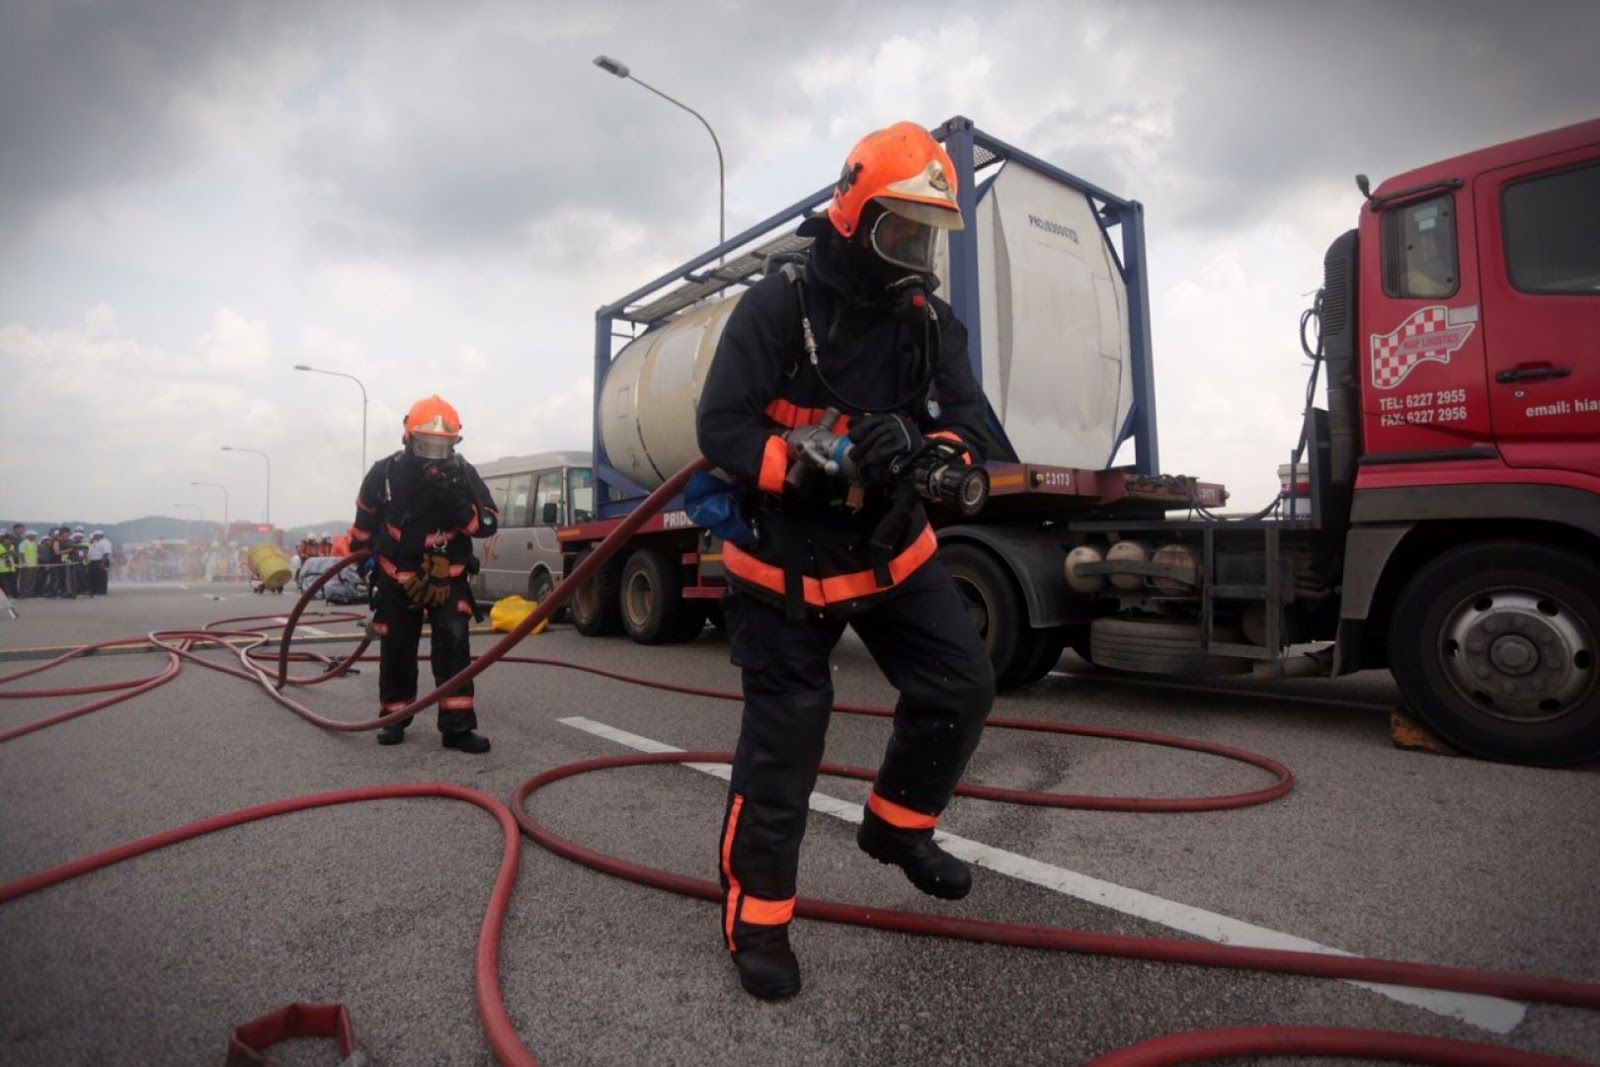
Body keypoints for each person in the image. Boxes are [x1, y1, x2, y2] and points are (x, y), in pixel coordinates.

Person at [695, 121, 996, 999]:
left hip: (889, 548)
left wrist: (926, 446)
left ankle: (897, 825)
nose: (915, 252)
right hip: (783, 563)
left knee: (961, 682)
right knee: (787, 741)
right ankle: (759, 923)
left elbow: (970, 428)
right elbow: (720, 424)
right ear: (856, 217)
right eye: (900, 230)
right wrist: (807, 462)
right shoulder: (780, 306)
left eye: (926, 235)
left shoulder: (930, 325)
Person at [348, 395, 500, 753]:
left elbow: (488, 523)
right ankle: (394, 718)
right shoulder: (385, 473)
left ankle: (458, 728)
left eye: (442, 445)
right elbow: (364, 523)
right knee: (396, 648)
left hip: (448, 577)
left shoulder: (462, 473)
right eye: (427, 444)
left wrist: (457, 502)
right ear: (409, 437)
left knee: (454, 646)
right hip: (395, 576)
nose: (434, 452)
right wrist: (363, 563)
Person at [87, 530, 113, 596]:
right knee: (94, 576)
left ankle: (102, 590)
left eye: (96, 535)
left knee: (101, 576)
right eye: (94, 535)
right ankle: (95, 590)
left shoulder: (105, 542)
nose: (94, 536)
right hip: (93, 561)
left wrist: (102, 563)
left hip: (101, 560)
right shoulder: (94, 542)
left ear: (101, 535)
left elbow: (106, 553)